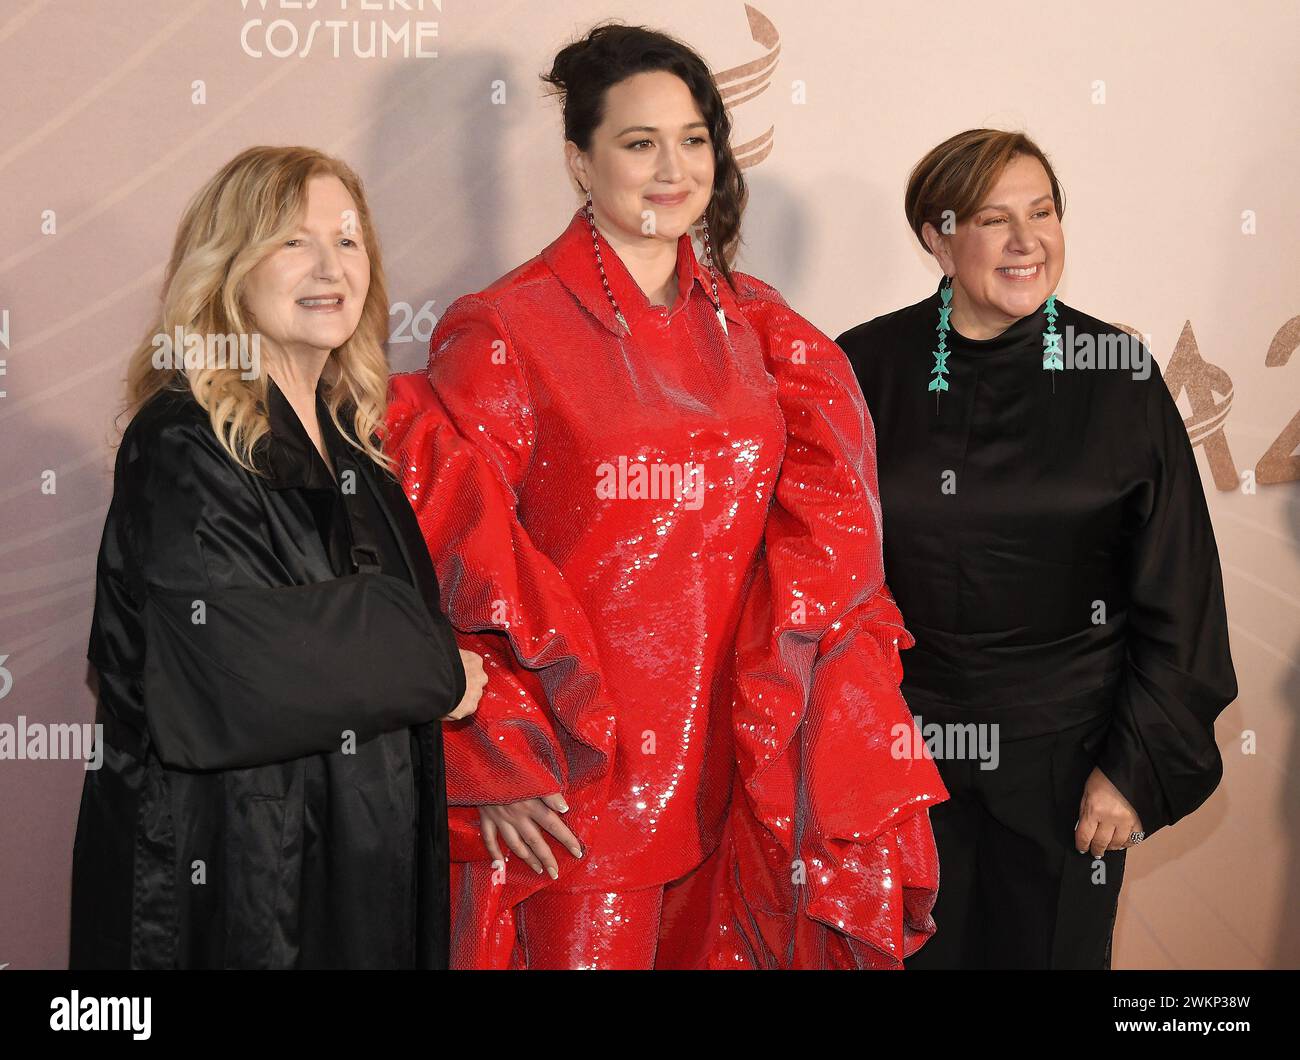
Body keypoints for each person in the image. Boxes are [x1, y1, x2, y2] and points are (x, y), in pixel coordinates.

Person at [385, 24, 945, 970]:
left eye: (693, 139)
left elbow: (821, 547)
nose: (672, 168)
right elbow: (451, 559)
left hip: (744, 776)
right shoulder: (504, 329)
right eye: (639, 143)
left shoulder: (758, 327)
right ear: (580, 159)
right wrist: (493, 762)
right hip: (582, 790)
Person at [69, 146, 484, 969]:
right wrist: (434, 661)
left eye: (350, 239)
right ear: (229, 268)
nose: (332, 265)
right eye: (295, 241)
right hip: (232, 889)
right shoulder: (184, 439)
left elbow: (332, 654)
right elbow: (225, 669)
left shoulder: (358, 452)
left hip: (361, 877)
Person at [836, 129, 1238, 969]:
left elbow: (1182, 588)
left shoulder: (1119, 373)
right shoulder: (862, 368)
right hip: (902, 761)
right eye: (993, 218)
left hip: (1072, 762)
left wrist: (1135, 767)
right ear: (936, 239)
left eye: (1043, 212)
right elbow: (813, 577)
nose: (1028, 241)